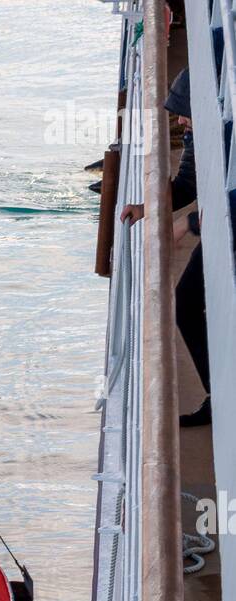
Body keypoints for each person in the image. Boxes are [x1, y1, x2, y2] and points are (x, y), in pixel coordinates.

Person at [121, 69, 211, 428]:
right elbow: (189, 184)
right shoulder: (196, 132)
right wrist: (147, 208)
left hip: (225, 226)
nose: (181, 120)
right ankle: (218, 394)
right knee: (187, 305)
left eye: (185, 110)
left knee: (188, 304)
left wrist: (186, 225)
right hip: (224, 227)